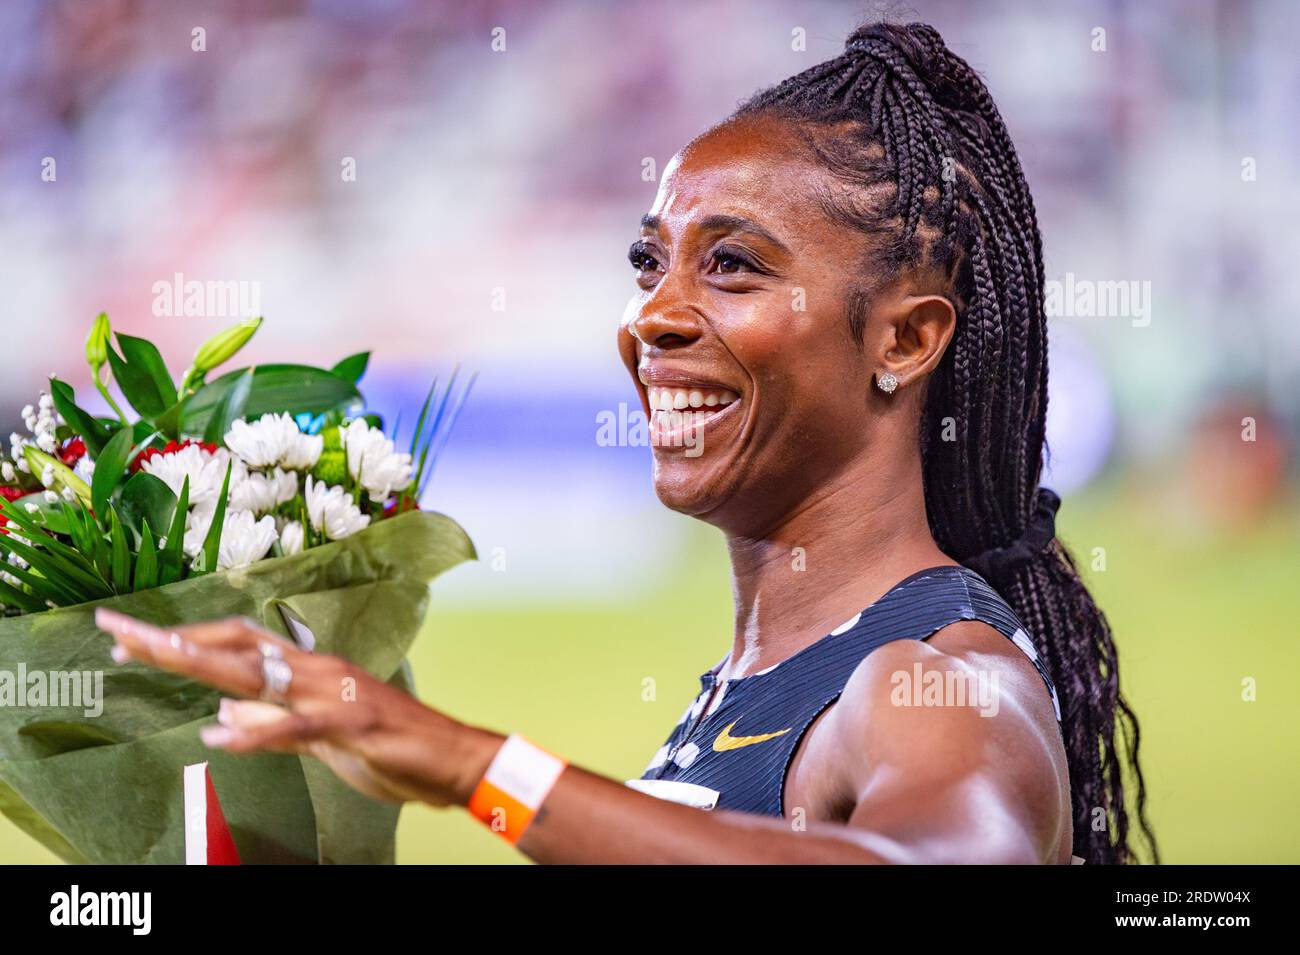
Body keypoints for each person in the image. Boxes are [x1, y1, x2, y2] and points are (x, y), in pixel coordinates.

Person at [97, 21, 1155, 864]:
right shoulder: (762, 680)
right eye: (651, 264)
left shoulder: (934, 680)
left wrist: (473, 766)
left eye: (733, 265)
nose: (652, 315)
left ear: (906, 337)